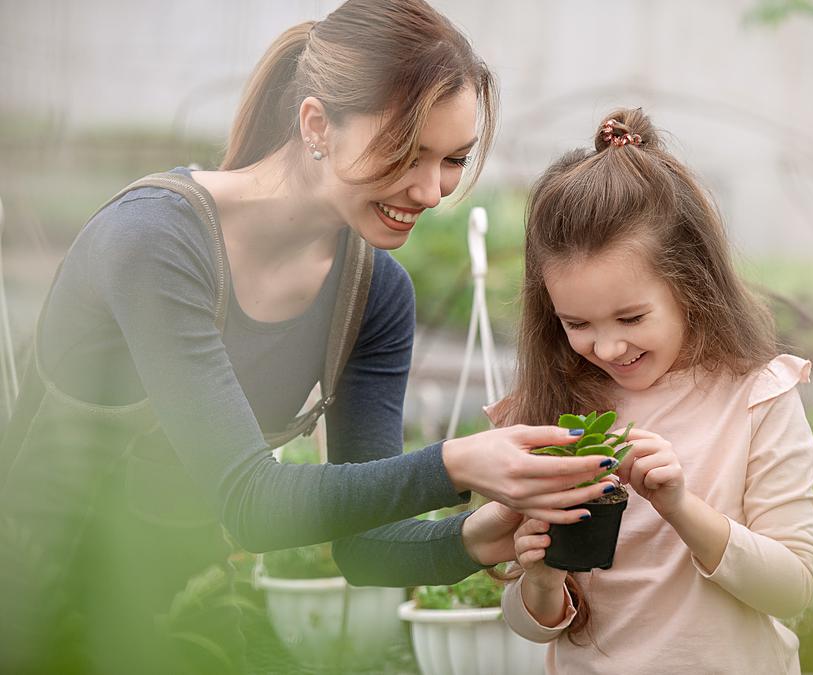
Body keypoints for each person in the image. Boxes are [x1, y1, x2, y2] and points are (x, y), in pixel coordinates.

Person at [0, 2, 615, 673]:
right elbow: (251, 503)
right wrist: (457, 463)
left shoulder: (372, 294)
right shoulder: (157, 240)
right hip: (40, 618)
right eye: (408, 153)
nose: (432, 189)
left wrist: (479, 534)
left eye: (453, 160)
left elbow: (368, 548)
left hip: (180, 622)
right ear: (317, 124)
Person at [490, 109, 813, 674]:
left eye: (632, 317)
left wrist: (679, 507)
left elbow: (794, 588)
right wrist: (542, 580)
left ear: (690, 283)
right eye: (577, 324)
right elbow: (529, 621)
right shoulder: (539, 413)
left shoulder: (757, 397)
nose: (608, 347)